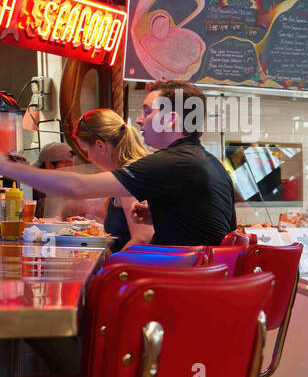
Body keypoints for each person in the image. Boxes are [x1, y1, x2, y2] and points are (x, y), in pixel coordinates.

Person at [0, 80, 236, 245]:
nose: (140, 120)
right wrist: (158, 214)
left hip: (182, 286)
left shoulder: (171, 163)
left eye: (147, 111)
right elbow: (202, 225)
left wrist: (7, 166)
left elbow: (76, 187)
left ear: (171, 120)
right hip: (206, 281)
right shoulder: (210, 163)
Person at [71, 109, 154, 251]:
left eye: (86, 151)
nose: (89, 158)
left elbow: (142, 238)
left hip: (138, 270)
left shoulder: (129, 176)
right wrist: (95, 228)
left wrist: (109, 266)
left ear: (100, 146)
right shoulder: (128, 172)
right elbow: (124, 231)